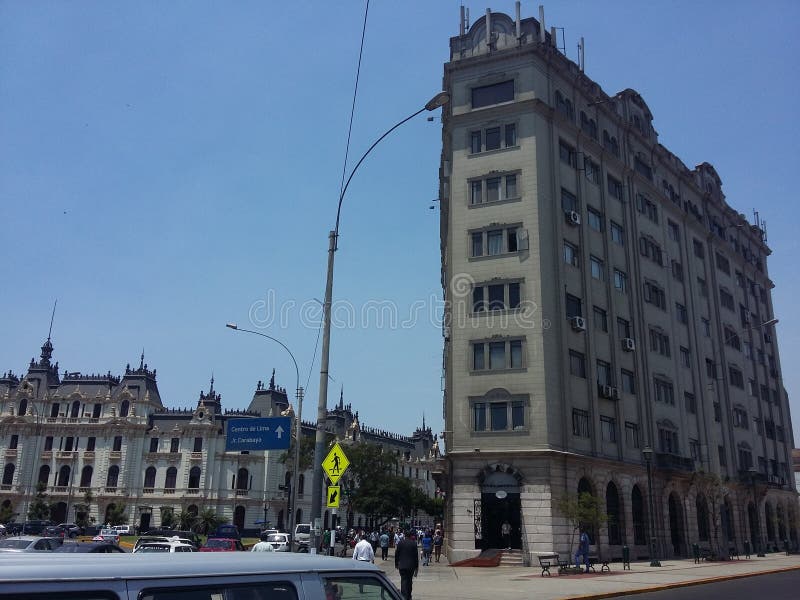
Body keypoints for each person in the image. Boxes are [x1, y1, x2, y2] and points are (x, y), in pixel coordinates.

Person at [394, 528, 419, 600]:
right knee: (409, 581)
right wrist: (416, 568)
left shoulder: (400, 543)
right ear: (411, 536)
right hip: (411, 566)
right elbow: (415, 557)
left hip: (402, 565)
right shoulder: (413, 543)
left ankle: (404, 596)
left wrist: (396, 564)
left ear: (404, 535)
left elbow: (397, 554)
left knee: (403, 581)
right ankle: (408, 595)